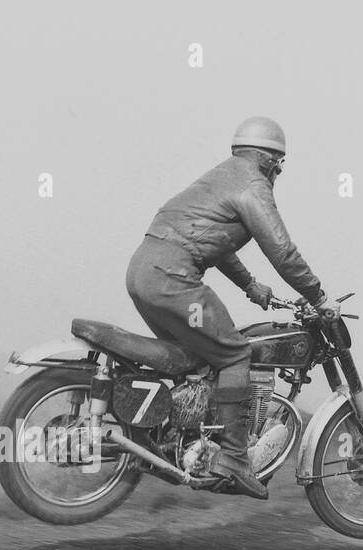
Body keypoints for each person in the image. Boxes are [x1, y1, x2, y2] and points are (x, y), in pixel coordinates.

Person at [126, 116, 340, 498]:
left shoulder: (220, 177)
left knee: (193, 362)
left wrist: (250, 285)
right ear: (269, 159)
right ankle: (235, 459)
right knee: (236, 355)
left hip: (144, 272)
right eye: (279, 164)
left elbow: (211, 239)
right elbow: (282, 250)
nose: (278, 171)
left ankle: (174, 442)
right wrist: (319, 297)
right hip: (173, 276)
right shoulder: (253, 185)